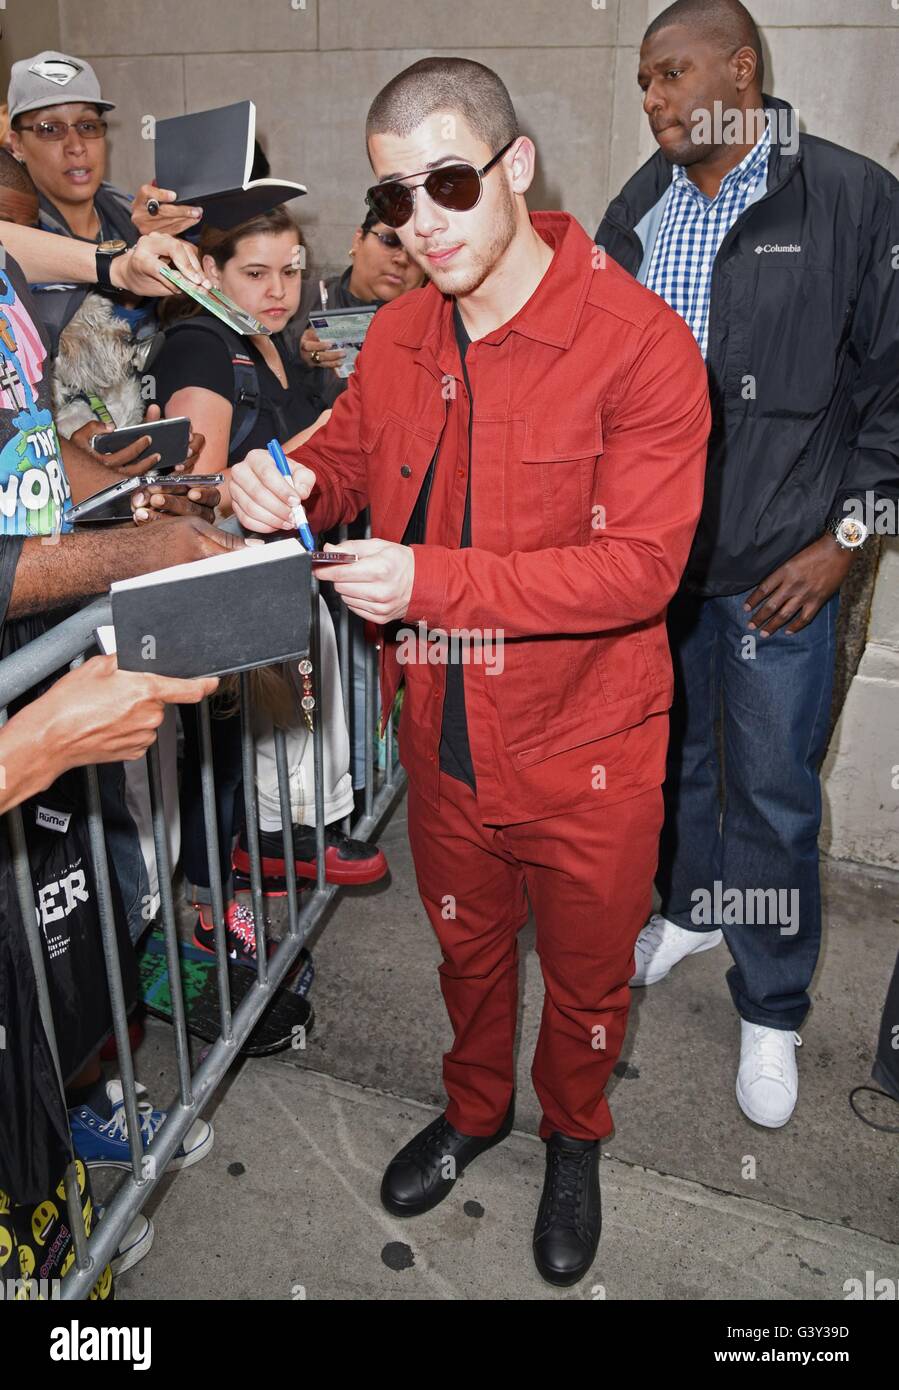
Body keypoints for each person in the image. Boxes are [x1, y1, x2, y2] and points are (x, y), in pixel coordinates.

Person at [229, 56, 711, 1287]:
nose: (420, 224)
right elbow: (345, 456)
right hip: (441, 740)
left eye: (447, 183)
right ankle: (474, 1109)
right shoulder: (400, 330)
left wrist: (429, 584)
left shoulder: (639, 345)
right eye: (393, 198)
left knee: (589, 983)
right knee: (468, 953)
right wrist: (286, 480)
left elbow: (640, 569)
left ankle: (573, 1136)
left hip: (588, 754)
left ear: (515, 166)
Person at [595, 0, 899, 1129]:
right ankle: (688, 910)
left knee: (770, 793)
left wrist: (843, 541)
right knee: (674, 761)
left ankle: (770, 1005)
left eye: (669, 74)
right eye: (643, 80)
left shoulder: (850, 197)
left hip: (785, 566)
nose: (652, 99)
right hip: (658, 566)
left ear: (739, 70)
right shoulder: (639, 203)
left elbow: (893, 393)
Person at [151, 207, 387, 964]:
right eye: (255, 273)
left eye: (290, 270)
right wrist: (325, 437)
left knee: (249, 754)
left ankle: (256, 874)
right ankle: (210, 918)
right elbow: (194, 495)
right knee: (215, 762)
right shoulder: (200, 345)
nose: (279, 289)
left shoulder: (269, 340)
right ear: (209, 273)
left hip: (271, 582)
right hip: (222, 583)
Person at [6, 50, 201, 354]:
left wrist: (171, 236)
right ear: (16, 143)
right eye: (50, 129)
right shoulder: (15, 228)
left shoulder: (127, 214)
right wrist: (122, 273)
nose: (76, 147)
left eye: (88, 126)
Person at [285, 205, 425, 404]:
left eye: (416, 249)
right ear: (358, 240)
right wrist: (295, 351)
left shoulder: (437, 328)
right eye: (390, 240)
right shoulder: (294, 298)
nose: (402, 258)